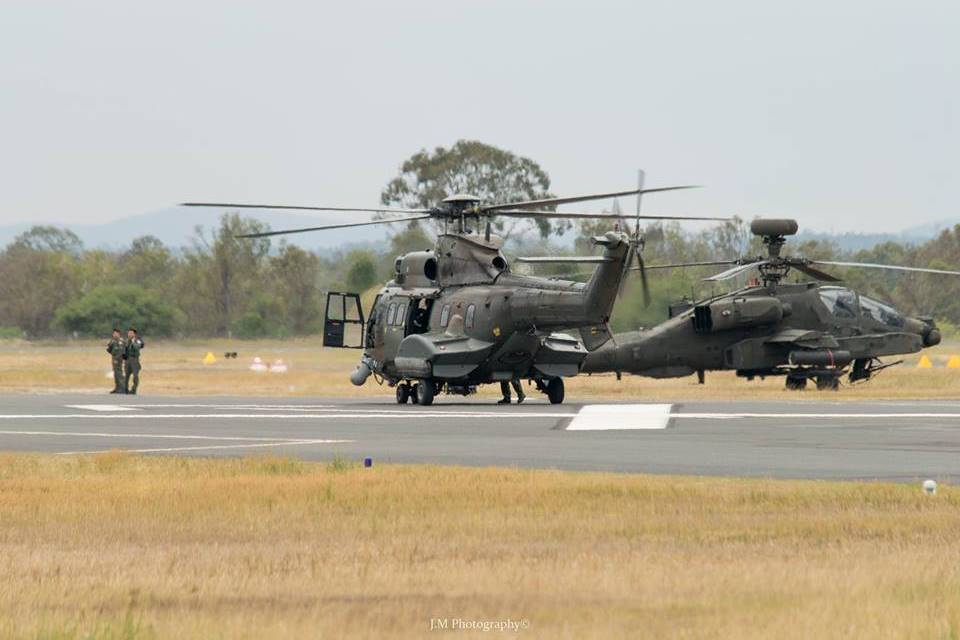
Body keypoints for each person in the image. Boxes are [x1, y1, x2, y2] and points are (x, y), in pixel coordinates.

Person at [124, 327, 144, 394]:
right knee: (126, 376)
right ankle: (125, 389)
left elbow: (137, 347)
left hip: (134, 360)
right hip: (127, 360)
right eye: (128, 333)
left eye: (131, 333)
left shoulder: (137, 340)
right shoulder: (126, 341)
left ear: (134, 334)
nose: (129, 334)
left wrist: (133, 342)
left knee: (135, 376)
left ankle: (133, 389)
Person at [105, 328, 126, 394]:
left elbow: (121, 352)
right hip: (114, 359)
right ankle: (117, 388)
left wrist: (117, 359)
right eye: (113, 333)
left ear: (119, 334)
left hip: (118, 359)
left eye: (115, 333)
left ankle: (122, 388)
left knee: (119, 374)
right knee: (116, 374)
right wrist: (113, 355)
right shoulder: (113, 341)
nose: (114, 335)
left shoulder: (121, 342)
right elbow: (109, 349)